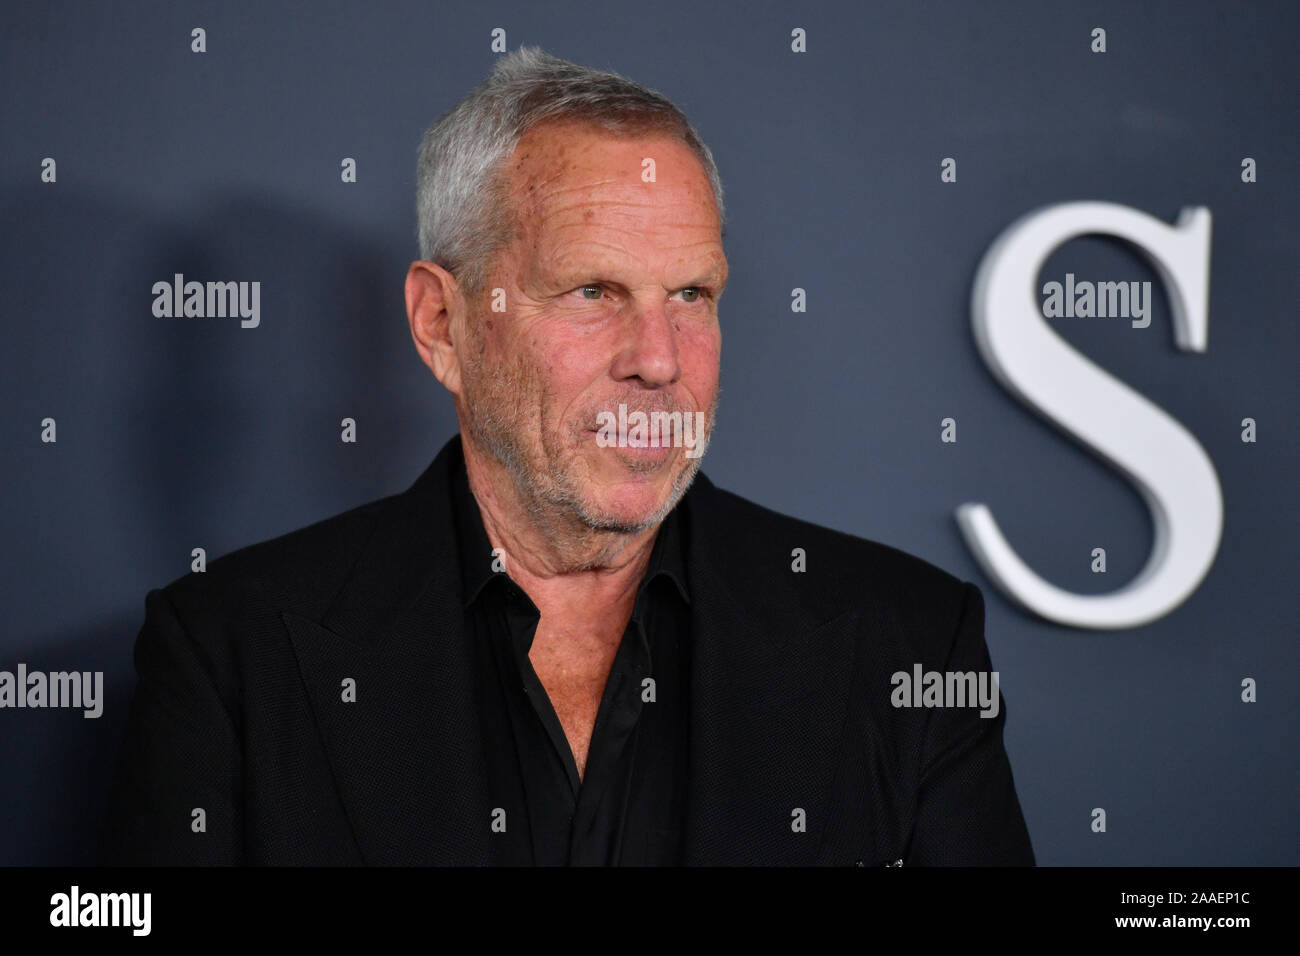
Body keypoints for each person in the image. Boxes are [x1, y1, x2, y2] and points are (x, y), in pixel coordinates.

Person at [100, 46, 1034, 866]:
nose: (660, 360)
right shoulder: (230, 656)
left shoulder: (905, 642)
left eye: (693, 294)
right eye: (593, 290)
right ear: (443, 325)